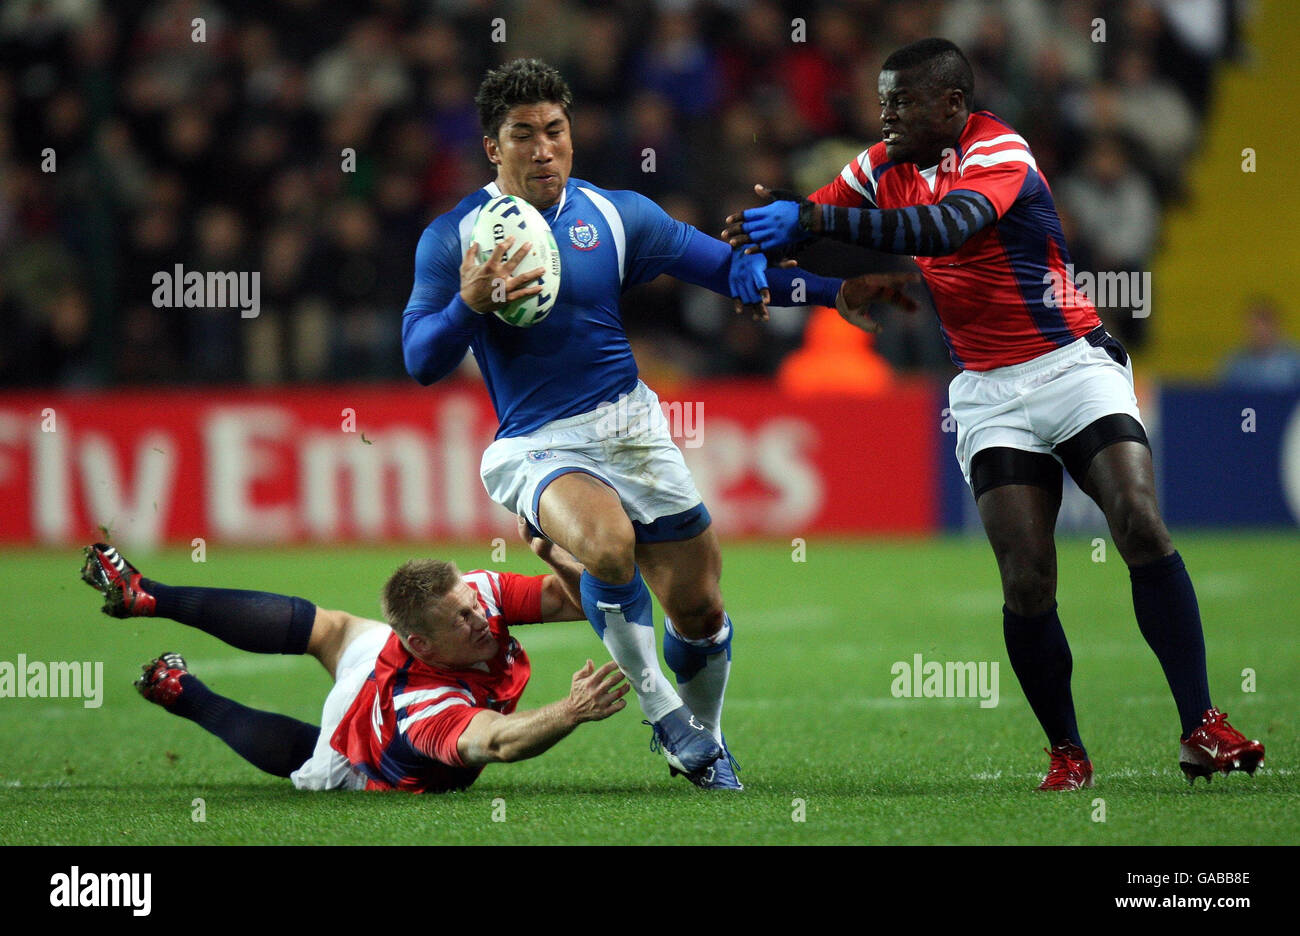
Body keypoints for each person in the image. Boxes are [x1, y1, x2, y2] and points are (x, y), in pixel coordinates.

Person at [723, 38, 1264, 790]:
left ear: (951, 105)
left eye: (900, 103)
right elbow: (804, 221)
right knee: (1027, 580)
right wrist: (749, 252)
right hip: (987, 390)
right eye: (880, 102)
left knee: (1139, 520)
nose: (884, 117)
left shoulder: (998, 148)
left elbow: (942, 229)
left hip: (1072, 363)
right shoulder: (881, 163)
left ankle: (1201, 726)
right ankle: (1068, 753)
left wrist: (810, 224)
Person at [401, 58, 910, 790]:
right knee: (610, 549)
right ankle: (663, 710)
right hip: (536, 442)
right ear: (493, 148)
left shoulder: (616, 215)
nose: (543, 148)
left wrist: (834, 290)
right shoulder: (454, 240)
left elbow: (732, 272)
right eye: (523, 136)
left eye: (555, 130)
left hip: (631, 428)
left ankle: (701, 740)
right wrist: (469, 302)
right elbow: (421, 357)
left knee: (699, 609)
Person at [78, 521, 629, 793]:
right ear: (421, 643)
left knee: (333, 629)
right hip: (365, 737)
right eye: (461, 620)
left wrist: (549, 552)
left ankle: (150, 594)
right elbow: (496, 742)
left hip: (380, 658)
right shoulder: (425, 704)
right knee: (308, 758)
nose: (480, 620)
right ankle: (184, 692)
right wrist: (571, 709)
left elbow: (568, 600)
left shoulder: (476, 592)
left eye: (471, 605)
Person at [1220, 297, 1300, 391]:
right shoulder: (1237, 362)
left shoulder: (1294, 361)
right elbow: (1225, 394)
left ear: (1275, 325)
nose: (1259, 331)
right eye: (1254, 325)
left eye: (1264, 324)